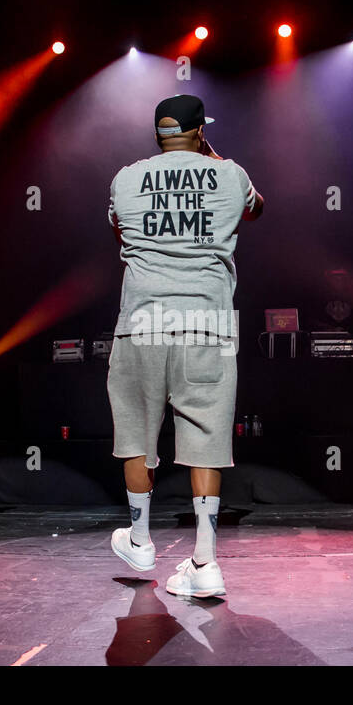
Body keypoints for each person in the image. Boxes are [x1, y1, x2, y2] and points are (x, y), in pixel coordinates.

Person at [106, 94, 264, 597]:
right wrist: (213, 161)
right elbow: (257, 210)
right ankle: (206, 562)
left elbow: (121, 236)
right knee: (205, 444)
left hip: (143, 323)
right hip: (207, 325)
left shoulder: (126, 178)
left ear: (158, 134)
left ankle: (140, 539)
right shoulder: (231, 173)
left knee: (136, 433)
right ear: (200, 132)